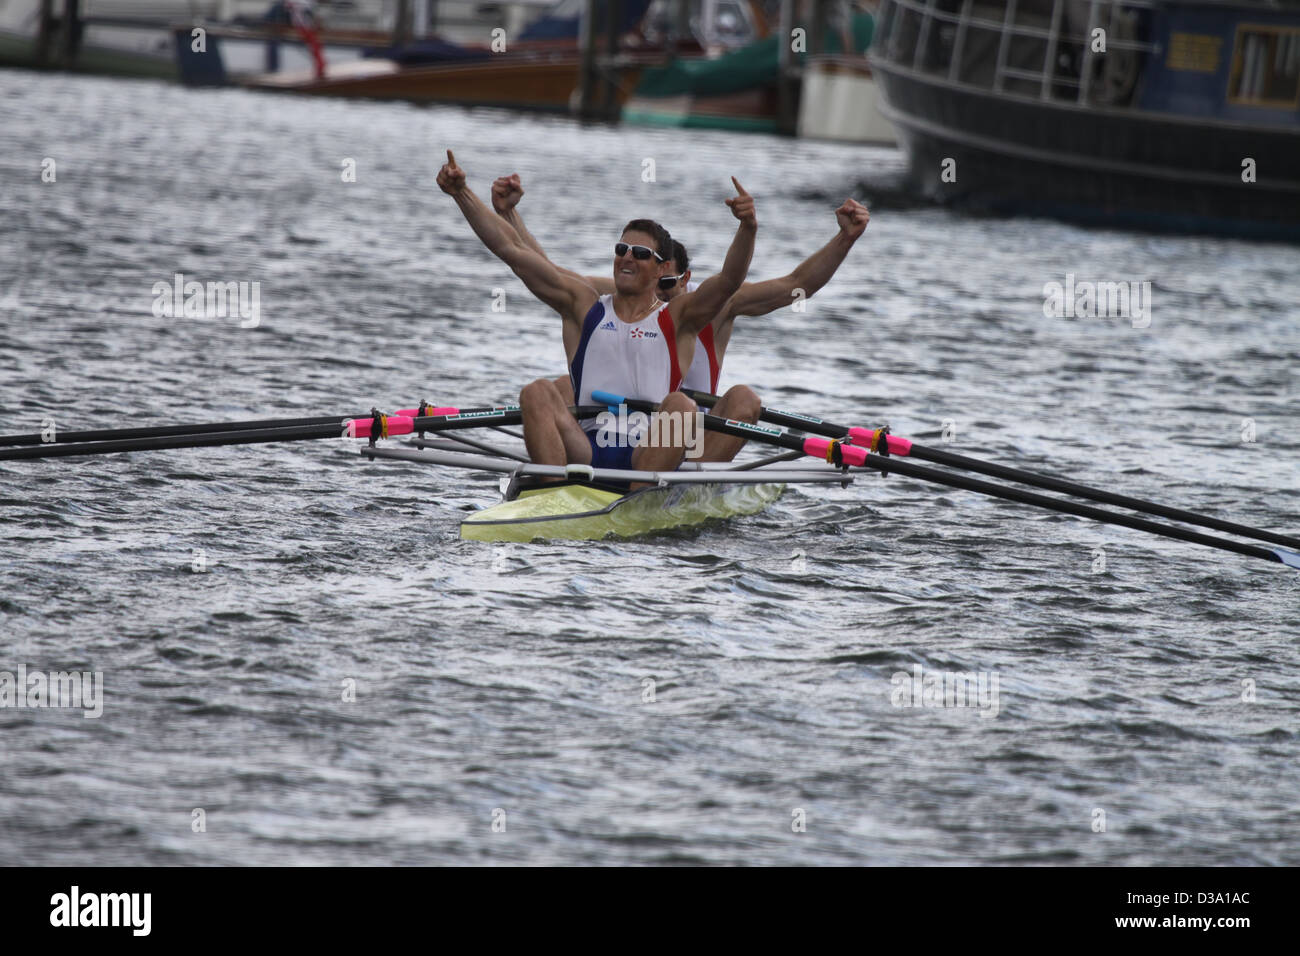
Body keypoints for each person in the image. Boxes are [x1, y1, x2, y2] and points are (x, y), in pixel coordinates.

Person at [489, 173, 871, 461]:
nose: (661, 293)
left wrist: (844, 239)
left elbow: (798, 284)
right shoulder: (621, 291)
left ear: (681, 278)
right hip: (619, 430)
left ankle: (693, 485)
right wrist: (510, 215)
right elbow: (544, 270)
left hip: (689, 437)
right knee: (559, 386)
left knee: (742, 400)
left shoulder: (713, 306)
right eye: (626, 253)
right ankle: (557, 476)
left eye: (669, 282)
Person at [436, 150, 757, 479]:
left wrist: (747, 227)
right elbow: (513, 253)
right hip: (586, 449)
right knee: (537, 392)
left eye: (641, 254)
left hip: (648, 455)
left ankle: (641, 501)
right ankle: (549, 493)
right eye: (621, 250)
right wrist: (462, 194)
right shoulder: (584, 305)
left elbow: (729, 281)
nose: (627, 258)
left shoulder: (678, 317)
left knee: (683, 407)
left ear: (662, 268)